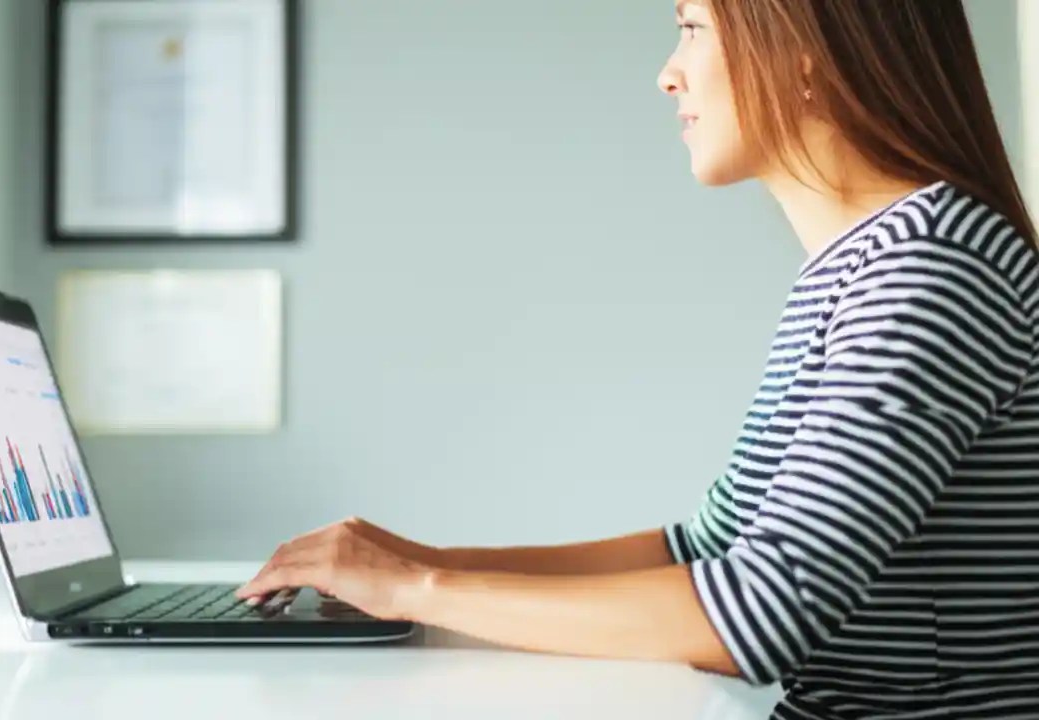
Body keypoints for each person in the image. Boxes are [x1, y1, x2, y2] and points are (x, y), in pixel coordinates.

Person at [235, 1, 1039, 717]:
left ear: (802, 48)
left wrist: (416, 589)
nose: (667, 75)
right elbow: (708, 547)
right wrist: (421, 565)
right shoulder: (868, 264)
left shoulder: (930, 266)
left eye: (691, 28)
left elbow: (762, 609)